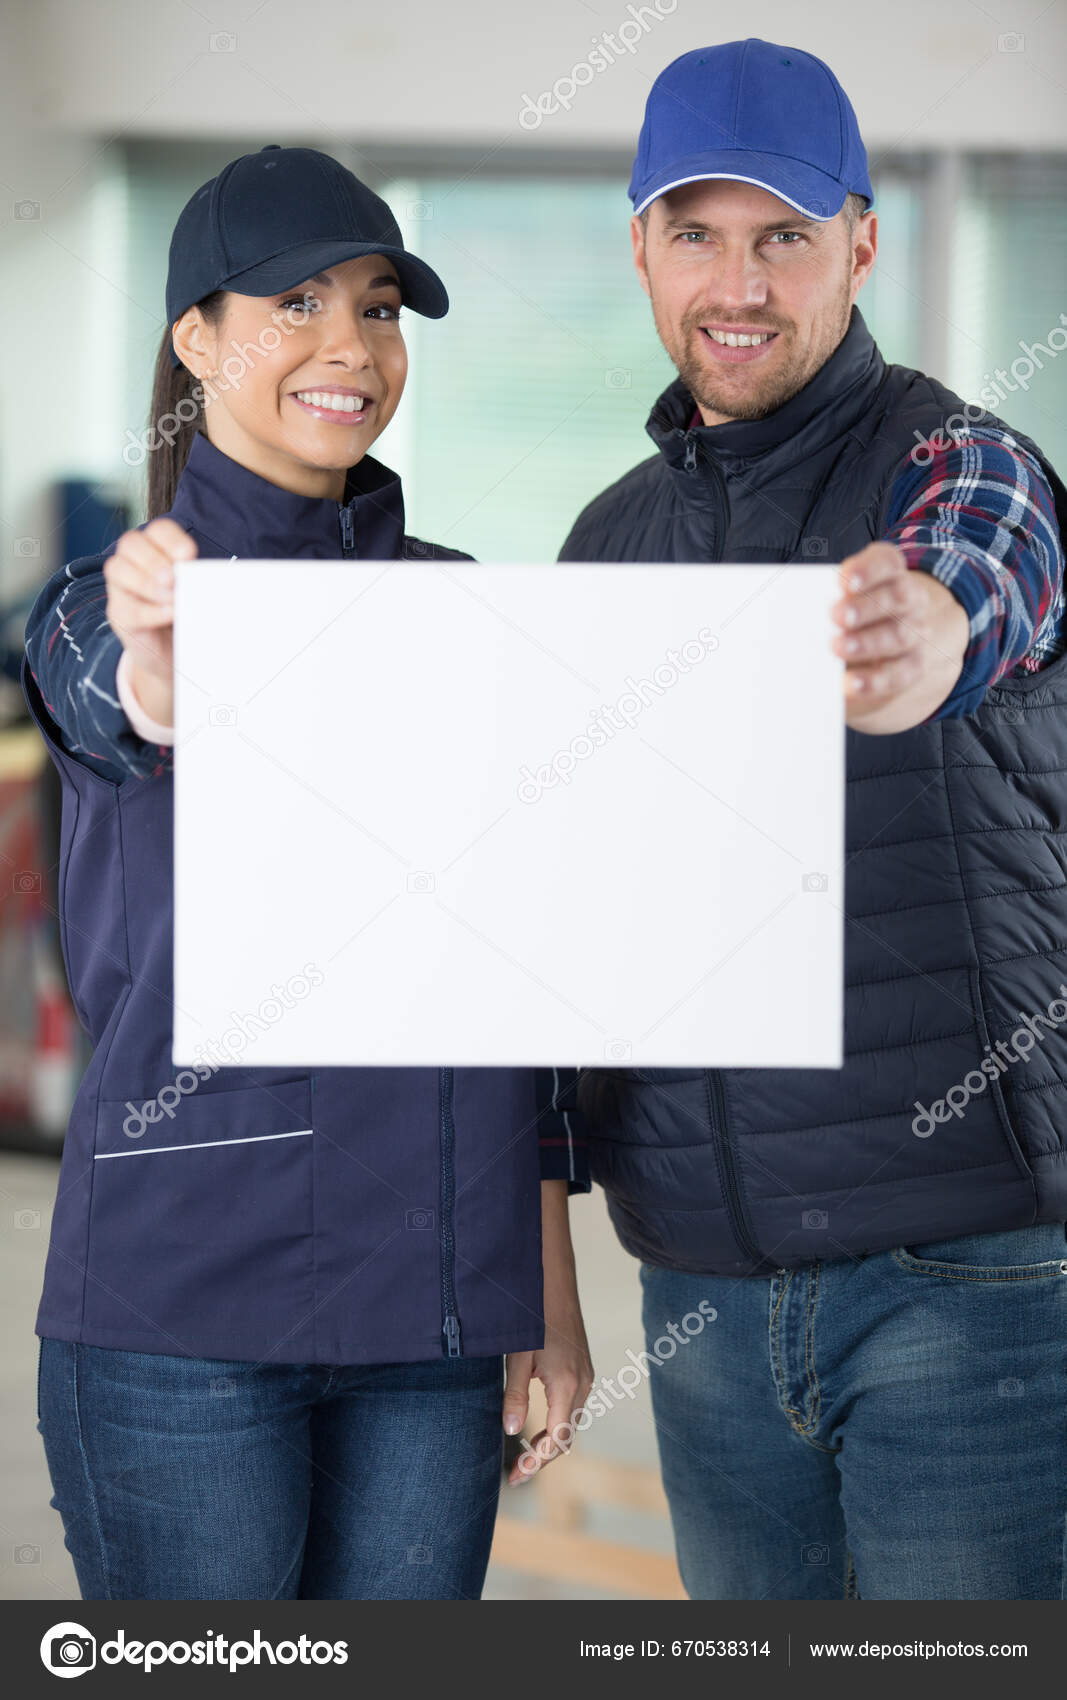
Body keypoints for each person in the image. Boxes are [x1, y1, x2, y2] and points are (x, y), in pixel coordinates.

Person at [22, 144, 593, 1602]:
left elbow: (517, 989)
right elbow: (115, 698)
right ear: (196, 339)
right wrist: (173, 668)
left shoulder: (471, 613)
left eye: (383, 307)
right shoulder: (100, 607)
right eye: (296, 302)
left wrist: (549, 1296)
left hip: (434, 1335)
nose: (352, 345)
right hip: (183, 1324)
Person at [560, 40, 1067, 1601]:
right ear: (640, 247)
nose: (740, 281)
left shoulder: (953, 458)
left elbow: (991, 555)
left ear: (859, 242)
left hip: (962, 1279)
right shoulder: (605, 548)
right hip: (701, 1290)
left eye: (782, 234)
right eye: (697, 232)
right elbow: (575, 915)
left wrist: (928, 626)